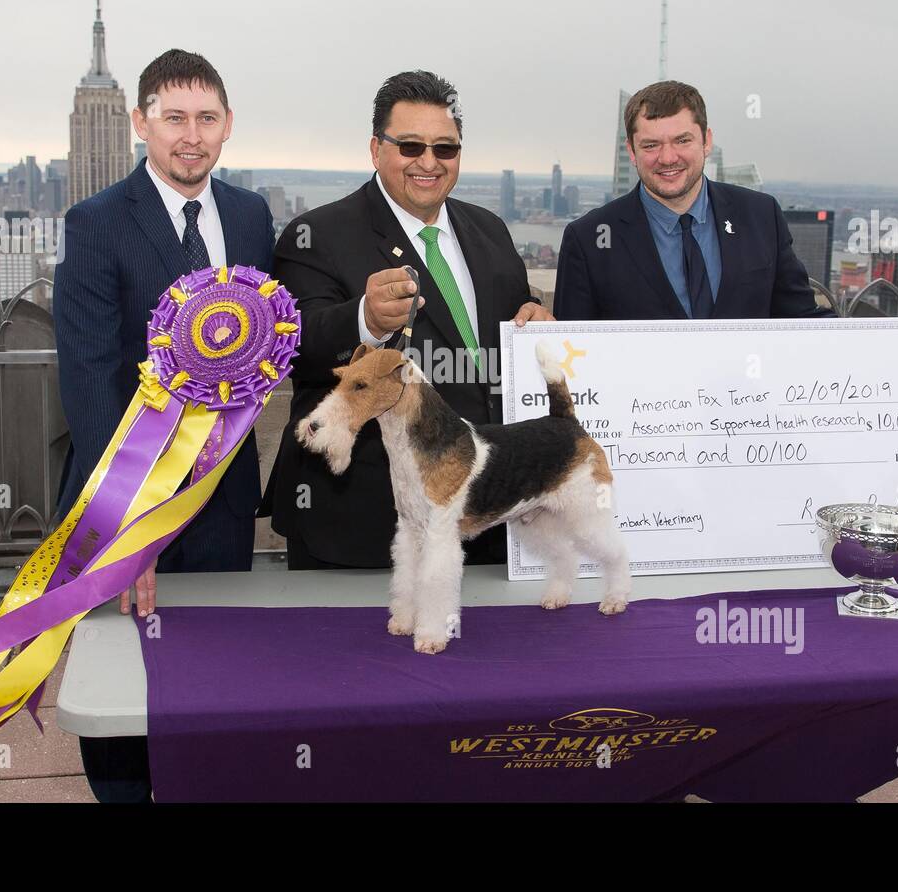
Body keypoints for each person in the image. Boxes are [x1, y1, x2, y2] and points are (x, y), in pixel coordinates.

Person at [53, 49, 274, 802]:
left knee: (213, 690)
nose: (191, 136)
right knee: (122, 704)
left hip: (221, 500)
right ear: (141, 122)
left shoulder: (249, 215)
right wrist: (128, 531)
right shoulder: (94, 223)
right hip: (123, 501)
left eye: (206, 118)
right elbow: (87, 379)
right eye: (174, 117)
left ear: (228, 126)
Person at [259, 69, 552, 569]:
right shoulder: (316, 233)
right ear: (376, 150)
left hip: (484, 516)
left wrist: (537, 317)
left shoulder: (490, 230)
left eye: (446, 149)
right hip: (365, 526)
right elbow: (295, 348)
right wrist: (364, 320)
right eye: (411, 146)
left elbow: (508, 326)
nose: (429, 162)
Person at [553, 80, 898, 361]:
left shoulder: (760, 216)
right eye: (650, 145)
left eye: (682, 140)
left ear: (706, 141)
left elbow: (804, 323)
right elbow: (570, 356)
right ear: (631, 151)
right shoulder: (590, 238)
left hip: (751, 435)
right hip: (640, 451)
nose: (667, 158)